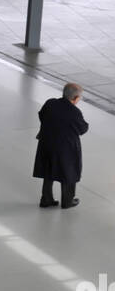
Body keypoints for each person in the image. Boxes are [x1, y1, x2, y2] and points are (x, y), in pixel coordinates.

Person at [34, 82, 87, 210]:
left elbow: (41, 115)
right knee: (69, 172)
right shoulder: (74, 112)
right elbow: (82, 128)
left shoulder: (50, 103)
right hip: (66, 147)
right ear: (75, 98)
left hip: (46, 142)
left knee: (48, 169)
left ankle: (46, 199)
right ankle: (67, 201)